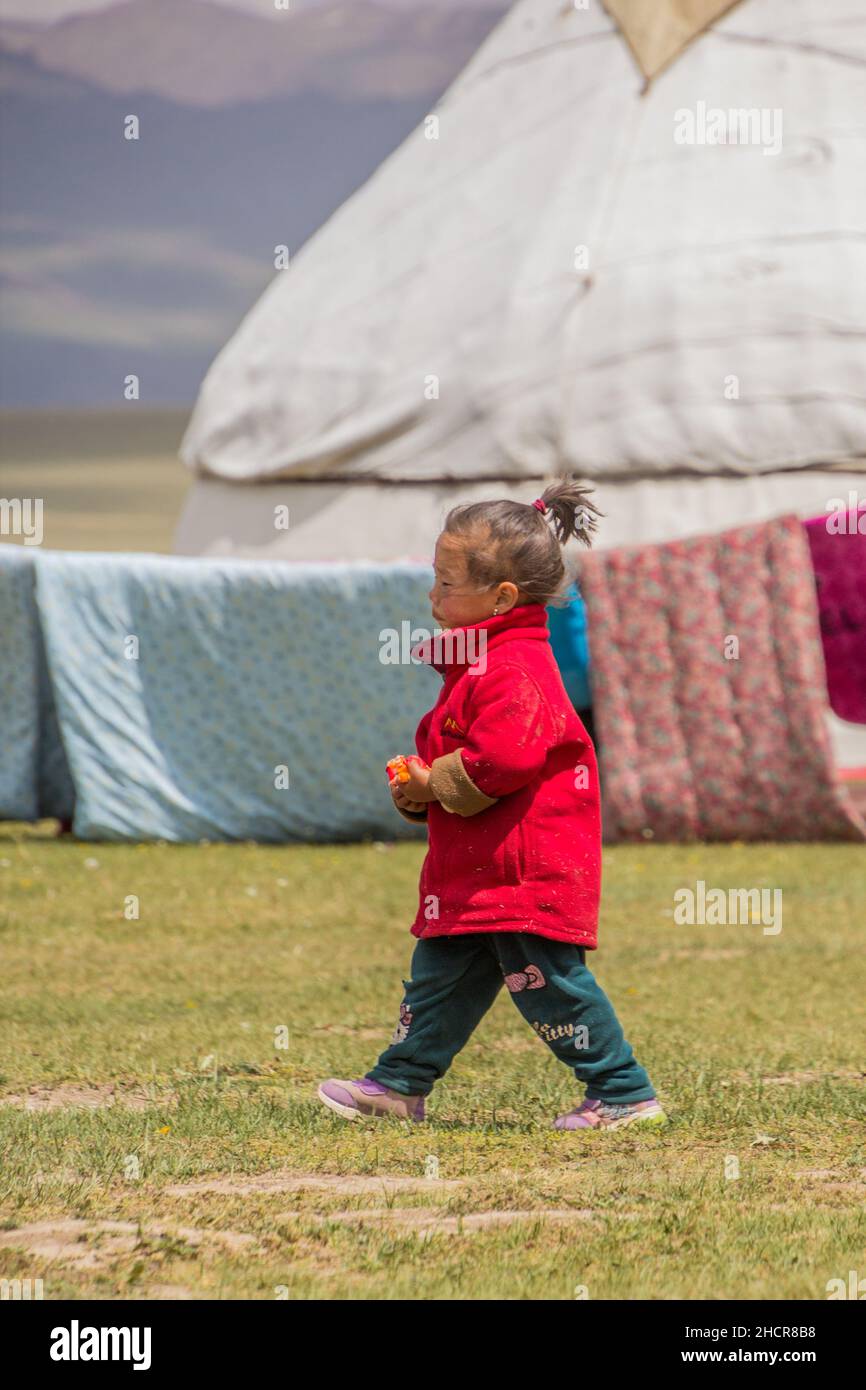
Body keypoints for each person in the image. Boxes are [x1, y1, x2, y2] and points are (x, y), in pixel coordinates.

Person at [317, 477, 666, 1132]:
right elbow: (456, 748)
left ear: (501, 596)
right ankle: (398, 1085)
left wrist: (435, 782)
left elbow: (506, 761)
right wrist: (419, 790)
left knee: (550, 988)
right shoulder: (476, 666)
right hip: (479, 871)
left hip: (524, 872)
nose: (433, 595)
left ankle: (624, 1092)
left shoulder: (515, 668)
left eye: (447, 583)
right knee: (438, 980)